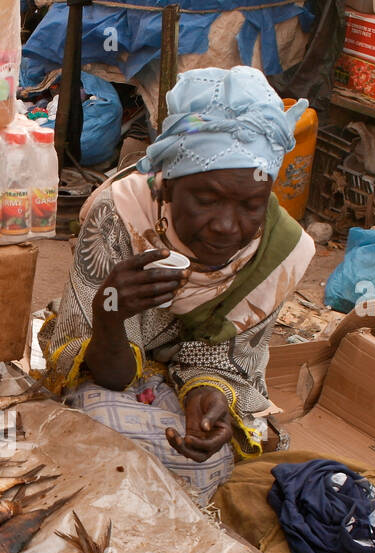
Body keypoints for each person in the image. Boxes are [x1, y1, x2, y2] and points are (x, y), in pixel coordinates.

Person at [39, 66, 315, 504]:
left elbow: (230, 362)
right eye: (206, 200)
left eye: (250, 206)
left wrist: (209, 396)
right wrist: (109, 315)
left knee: (236, 450)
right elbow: (108, 375)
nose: (227, 226)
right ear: (167, 187)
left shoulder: (283, 251)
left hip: (184, 378)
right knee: (95, 424)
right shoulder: (122, 215)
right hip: (115, 372)